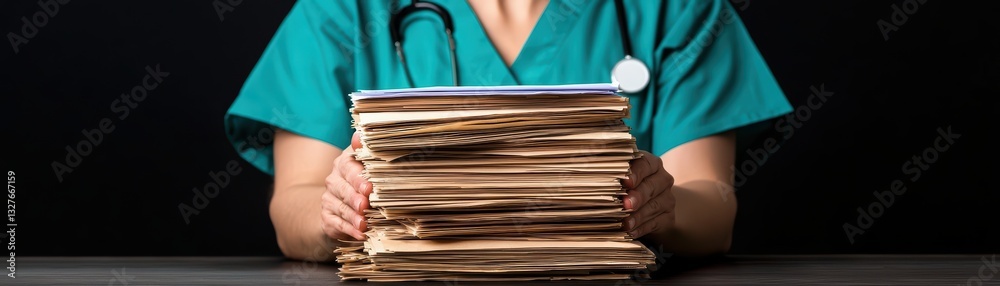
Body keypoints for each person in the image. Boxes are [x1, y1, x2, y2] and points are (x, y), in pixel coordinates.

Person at [225, 0, 792, 260]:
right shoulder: (339, 12)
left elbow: (713, 209)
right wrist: (334, 213)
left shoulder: (676, 9)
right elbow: (292, 210)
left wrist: (662, 205)